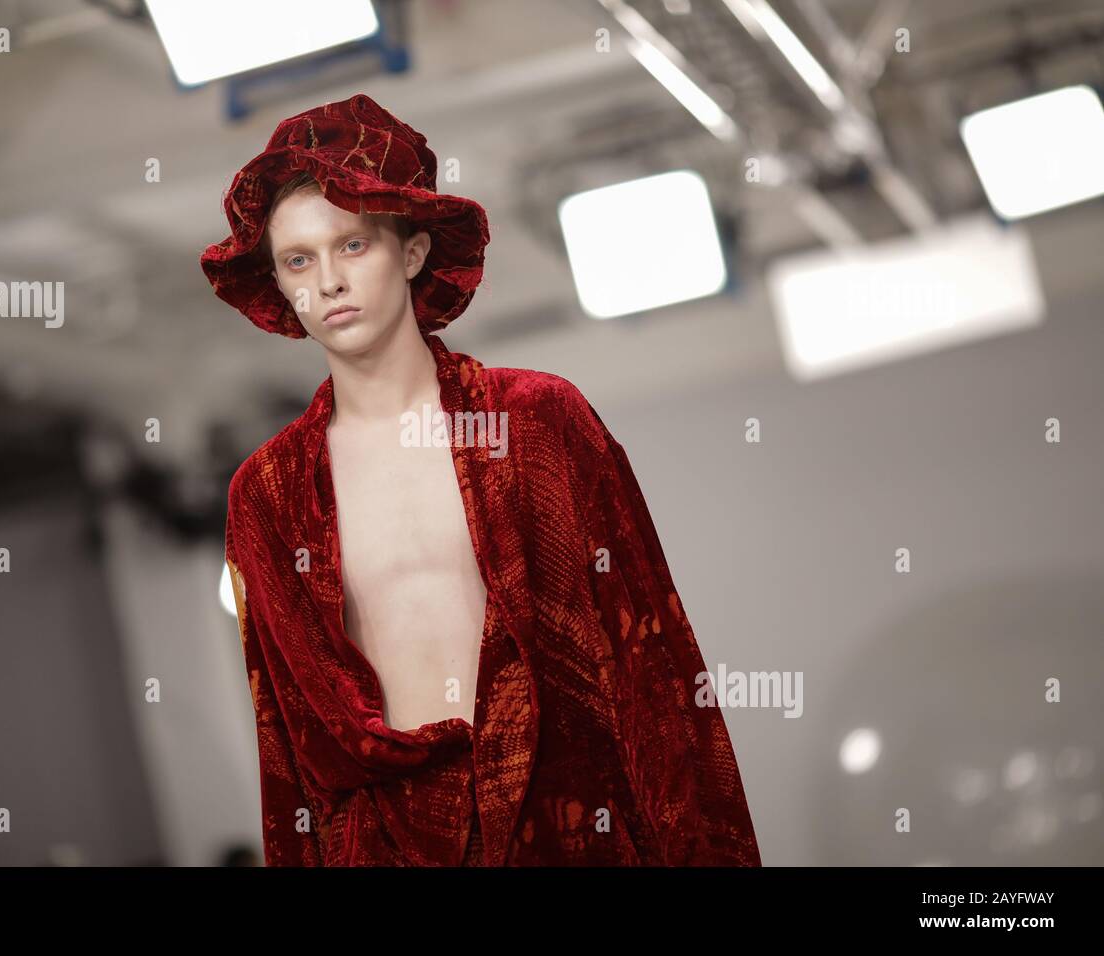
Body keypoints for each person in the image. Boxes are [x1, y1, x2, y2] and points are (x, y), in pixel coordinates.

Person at [203, 93, 761, 866]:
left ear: (412, 251)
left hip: (571, 828)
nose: (327, 281)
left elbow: (651, 663)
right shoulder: (266, 494)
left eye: (353, 245)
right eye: (299, 259)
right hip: (388, 845)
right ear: (280, 283)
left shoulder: (535, 421)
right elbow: (287, 749)